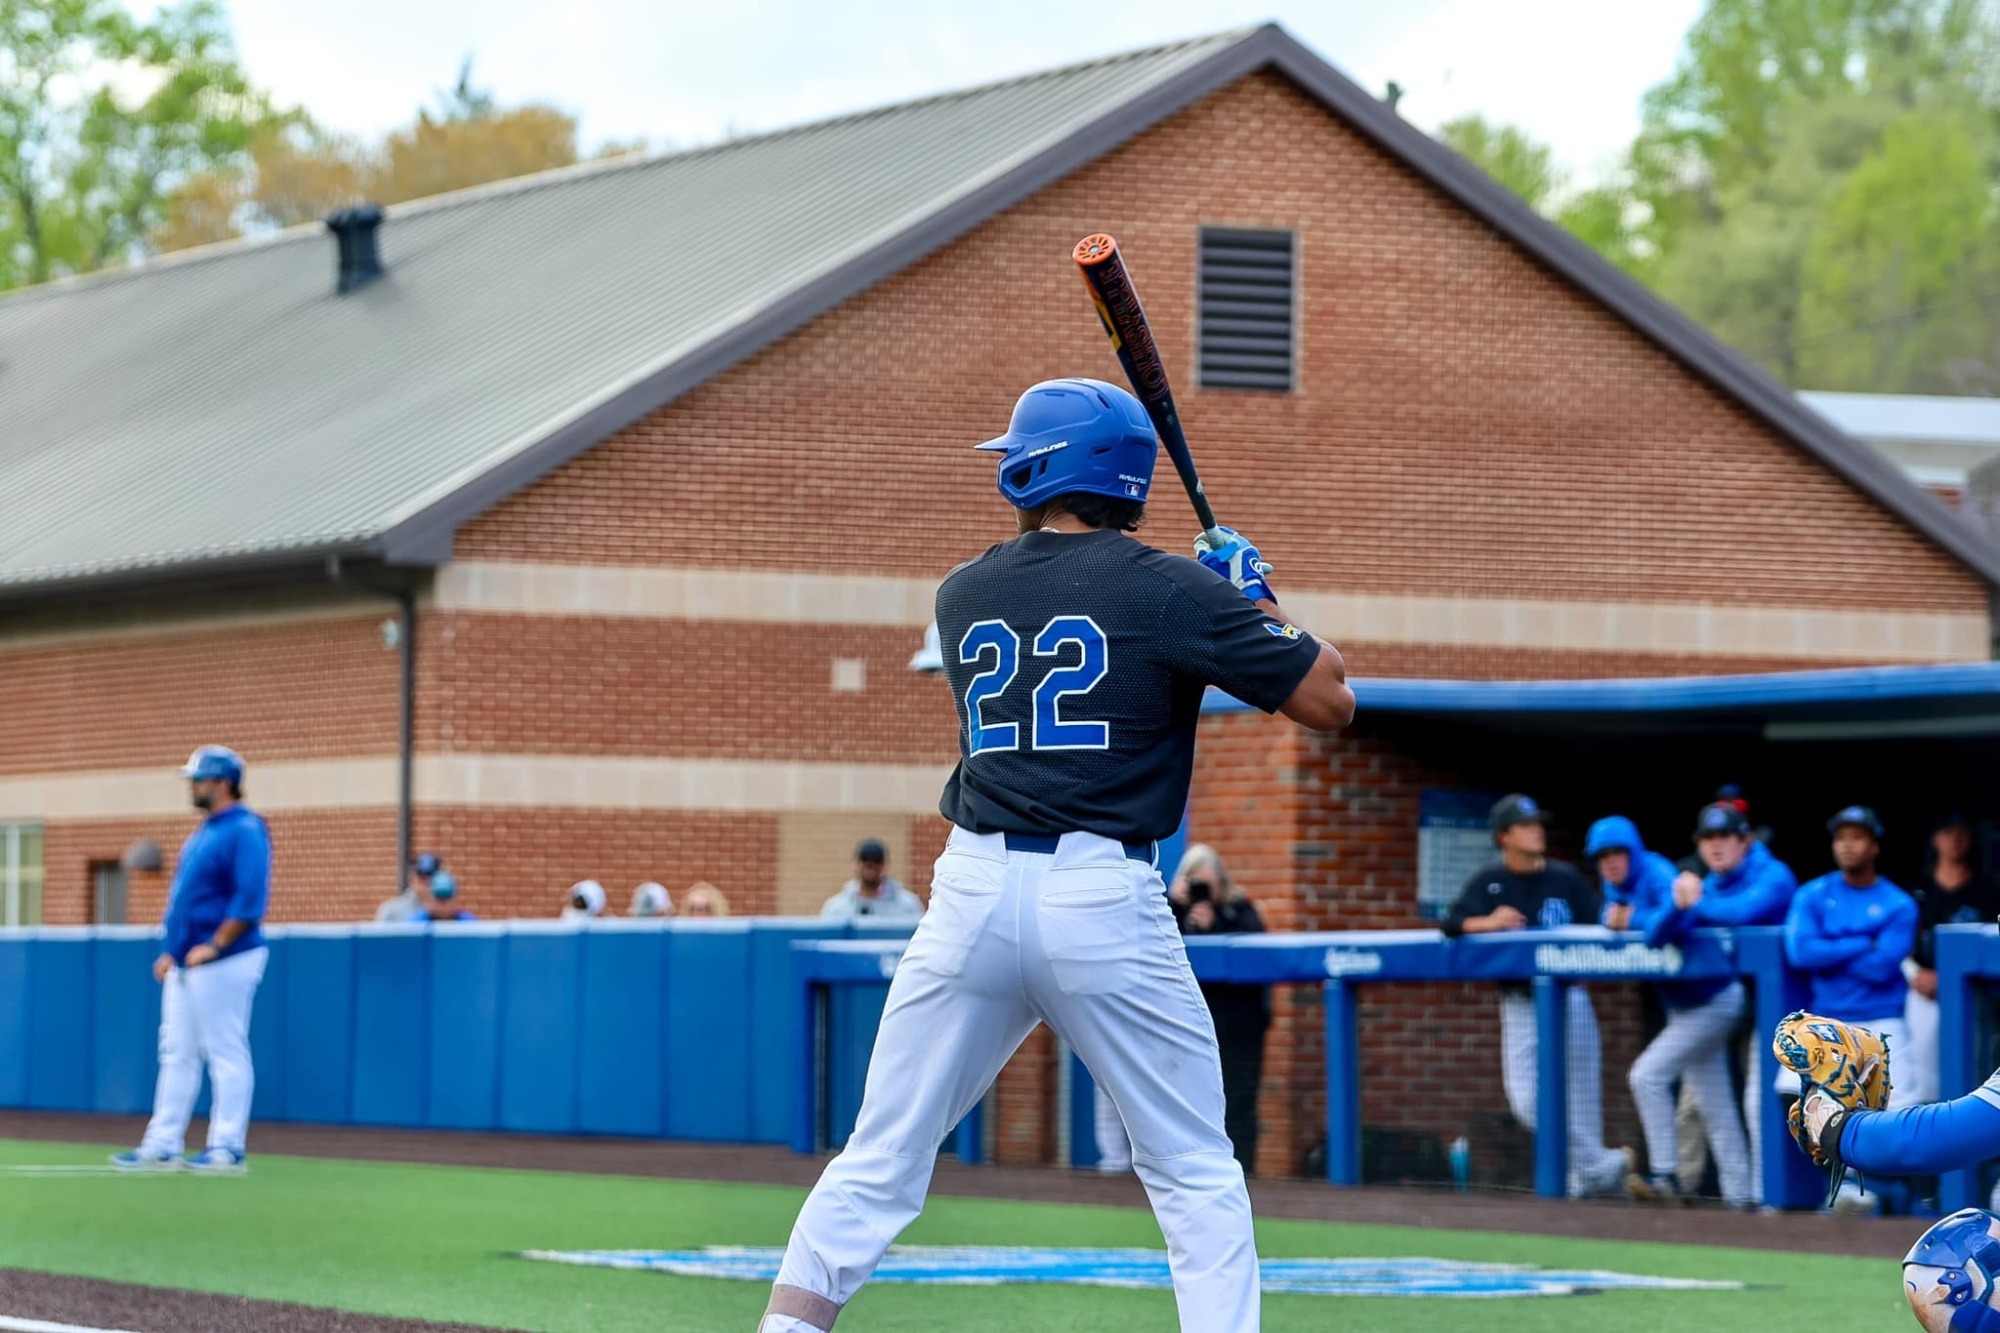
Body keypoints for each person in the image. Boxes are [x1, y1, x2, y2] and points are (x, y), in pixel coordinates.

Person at [761, 376, 1352, 1333]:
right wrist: (1255, 597)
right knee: (1194, 1166)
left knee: (882, 1150)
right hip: (1100, 896)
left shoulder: (962, 591)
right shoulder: (1171, 587)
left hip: (970, 890)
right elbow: (1330, 698)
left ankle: (787, 1329)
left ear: (1043, 466)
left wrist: (1216, 600)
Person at [1442, 794, 1631, 1199]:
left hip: (1570, 1001)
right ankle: (1605, 1165)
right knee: (1527, 1101)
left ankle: (1583, 1187)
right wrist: (1488, 922)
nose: (1536, 830)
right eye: (1525, 825)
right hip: (1521, 1004)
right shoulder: (1491, 882)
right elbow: (1452, 923)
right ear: (1504, 836)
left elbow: (1600, 925)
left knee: (1581, 1101)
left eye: (1537, 823)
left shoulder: (1565, 879)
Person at [1622, 803, 1792, 1208]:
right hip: (1733, 1002)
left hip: (1785, 1009)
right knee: (1713, 1104)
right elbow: (1660, 931)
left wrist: (1690, 903)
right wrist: (1668, 908)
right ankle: (1742, 1197)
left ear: (1744, 840)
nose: (1716, 846)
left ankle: (1771, 1201)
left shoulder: (1772, 874)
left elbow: (1741, 913)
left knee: (1758, 1102)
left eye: (1725, 837)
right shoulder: (1707, 884)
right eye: (1708, 838)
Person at [111, 746, 271, 1174]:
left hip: (226, 958)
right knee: (176, 1052)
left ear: (222, 782)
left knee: (225, 1049)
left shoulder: (244, 828)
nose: (193, 787)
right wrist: (172, 951)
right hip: (189, 961)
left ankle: (226, 1146)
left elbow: (249, 899)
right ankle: (162, 1143)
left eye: (198, 779)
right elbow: (187, 901)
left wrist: (216, 945)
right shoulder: (207, 830)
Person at [1165, 844, 1271, 1174]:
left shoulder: (1239, 910)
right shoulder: (1171, 912)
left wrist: (1217, 923)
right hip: (1188, 1025)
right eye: (1195, 884)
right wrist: (1173, 905)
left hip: (1238, 1027)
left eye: (1207, 885)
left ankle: (1243, 1171)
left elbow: (1257, 950)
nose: (1202, 894)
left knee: (1237, 1099)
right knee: (1186, 1102)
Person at [1904, 815, 2000, 1106]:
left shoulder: (1987, 891)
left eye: (1962, 833)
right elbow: (1896, 943)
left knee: (1977, 1064)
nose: (1955, 840)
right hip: (1921, 988)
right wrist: (1914, 974)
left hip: (1977, 994)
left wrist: (1946, 980)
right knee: (1920, 1073)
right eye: (1947, 832)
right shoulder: (1918, 892)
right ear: (1936, 839)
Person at [1587, 816, 1675, 933]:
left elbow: (1681, 917)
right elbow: (1606, 922)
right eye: (1603, 855)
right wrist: (1609, 919)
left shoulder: (1658, 872)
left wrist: (1634, 919)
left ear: (1633, 853)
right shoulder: (1610, 883)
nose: (1611, 862)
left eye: (1617, 852)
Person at [819, 839, 924, 922]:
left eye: (876, 861)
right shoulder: (836, 907)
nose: (870, 866)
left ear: (885, 865)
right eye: (865, 860)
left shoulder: (908, 905)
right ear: (856, 864)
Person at [376, 852, 440, 923]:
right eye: (422, 876)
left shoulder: (446, 912)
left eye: (433, 876)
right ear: (411, 878)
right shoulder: (392, 911)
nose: (428, 881)